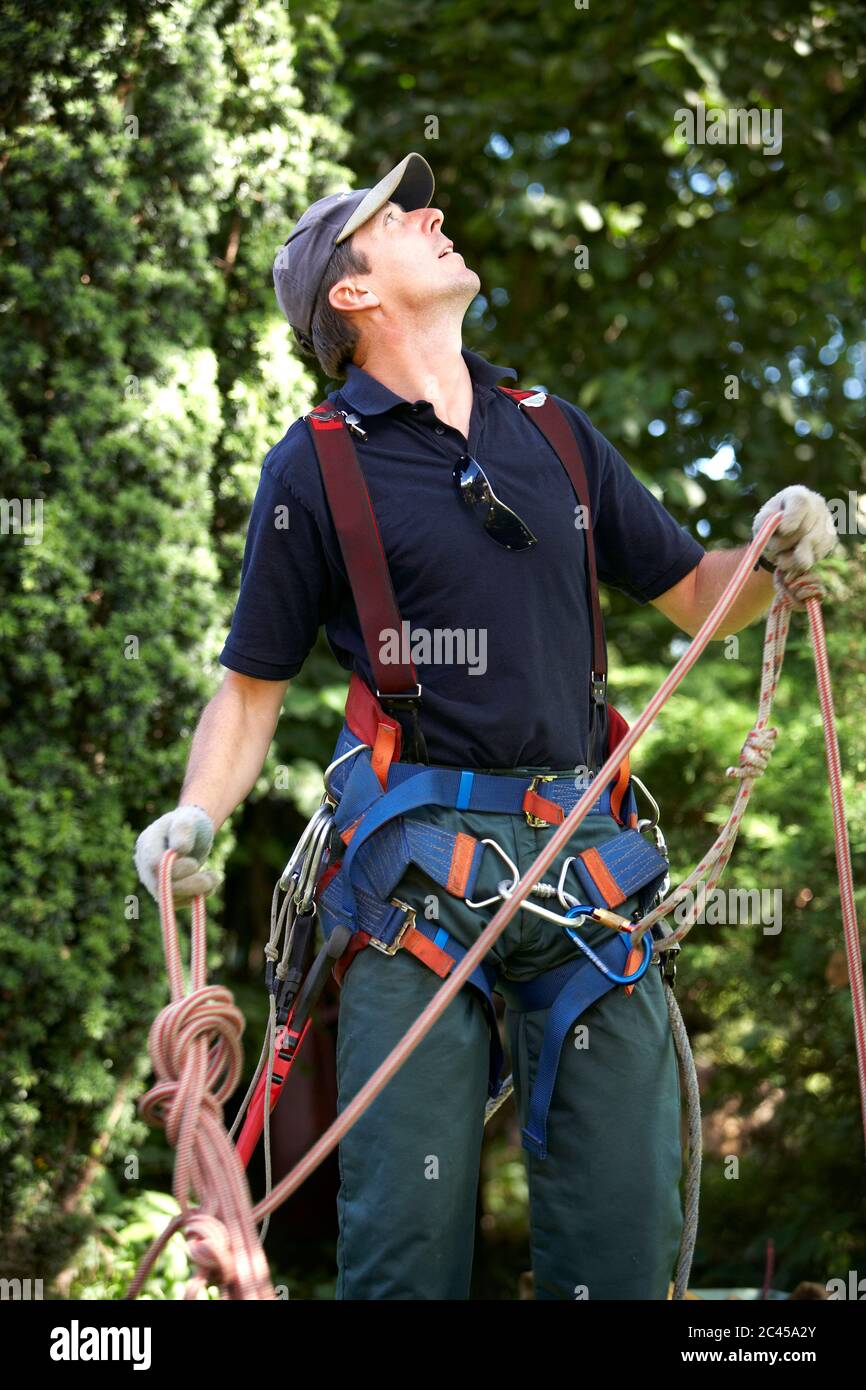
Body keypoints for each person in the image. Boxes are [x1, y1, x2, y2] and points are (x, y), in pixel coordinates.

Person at [134, 152, 837, 1300]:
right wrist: (194, 816)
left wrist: (770, 548)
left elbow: (695, 595)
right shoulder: (312, 468)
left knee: (623, 1239)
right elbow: (251, 686)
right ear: (350, 294)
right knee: (403, 1256)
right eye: (400, 217)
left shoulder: (549, 431)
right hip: (411, 884)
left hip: (583, 872)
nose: (433, 214)